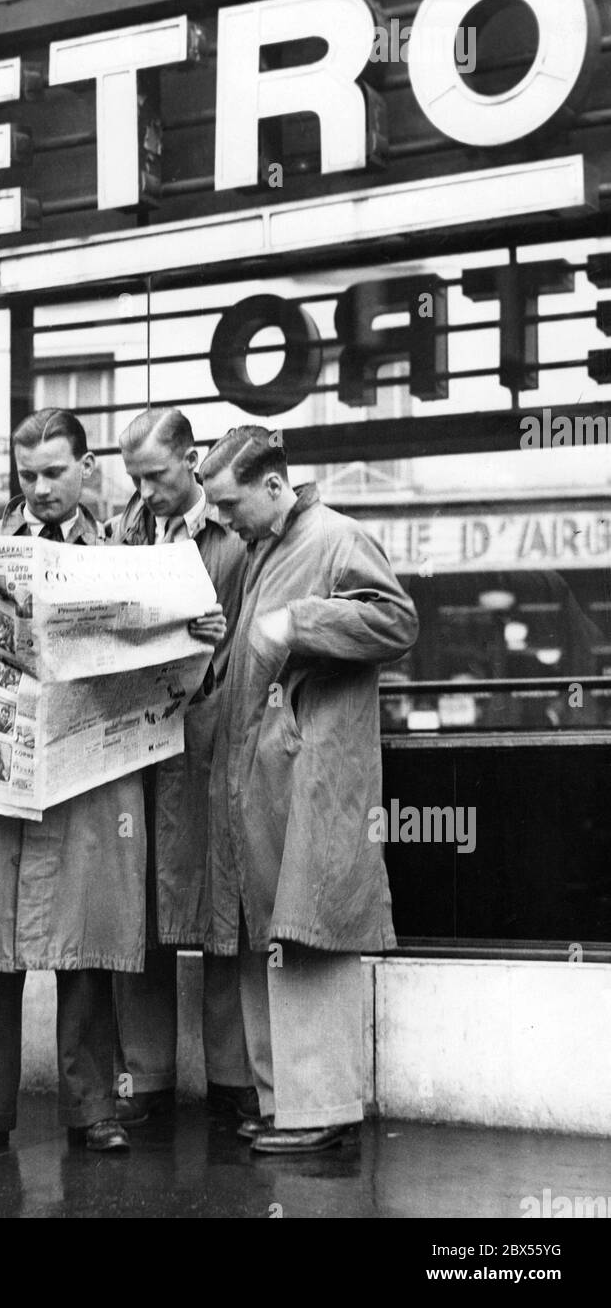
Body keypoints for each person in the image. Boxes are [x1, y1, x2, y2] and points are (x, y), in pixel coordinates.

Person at [0, 407, 224, 1158]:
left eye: (54, 472)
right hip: (0, 770)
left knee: (86, 942)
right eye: (27, 476)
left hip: (90, 772)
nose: (40, 489)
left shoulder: (128, 549)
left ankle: (95, 1107)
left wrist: (195, 637)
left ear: (86, 467)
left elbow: (174, 678)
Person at [199, 426, 418, 1154]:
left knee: (311, 929)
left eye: (231, 504)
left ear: (271, 485)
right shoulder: (265, 546)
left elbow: (396, 620)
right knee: (277, 933)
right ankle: (287, 1104)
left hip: (314, 769)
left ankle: (321, 1110)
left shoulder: (335, 535)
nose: (226, 521)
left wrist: (299, 621)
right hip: (269, 770)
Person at [108, 408, 257, 1125]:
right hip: (138, 743)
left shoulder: (235, 533)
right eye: (133, 479)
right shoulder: (123, 530)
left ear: (191, 460)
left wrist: (225, 633)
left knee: (220, 910)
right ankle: (148, 1081)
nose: (146, 492)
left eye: (157, 476)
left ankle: (233, 1085)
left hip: (209, 740)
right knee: (139, 921)